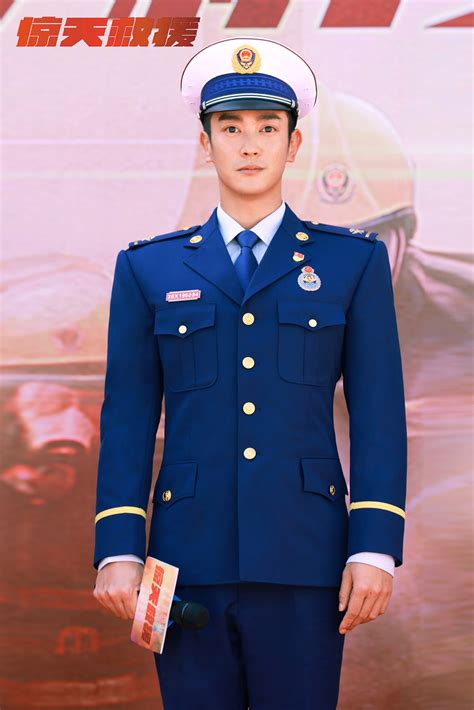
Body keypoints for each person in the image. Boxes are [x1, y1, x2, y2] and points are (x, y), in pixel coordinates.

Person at [92, 37, 407, 709]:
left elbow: (379, 413)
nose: (250, 145)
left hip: (307, 556)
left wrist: (374, 546)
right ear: (205, 144)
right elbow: (127, 418)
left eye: (268, 127)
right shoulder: (150, 268)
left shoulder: (351, 264)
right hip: (182, 561)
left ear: (294, 145)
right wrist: (118, 546)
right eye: (230, 128)